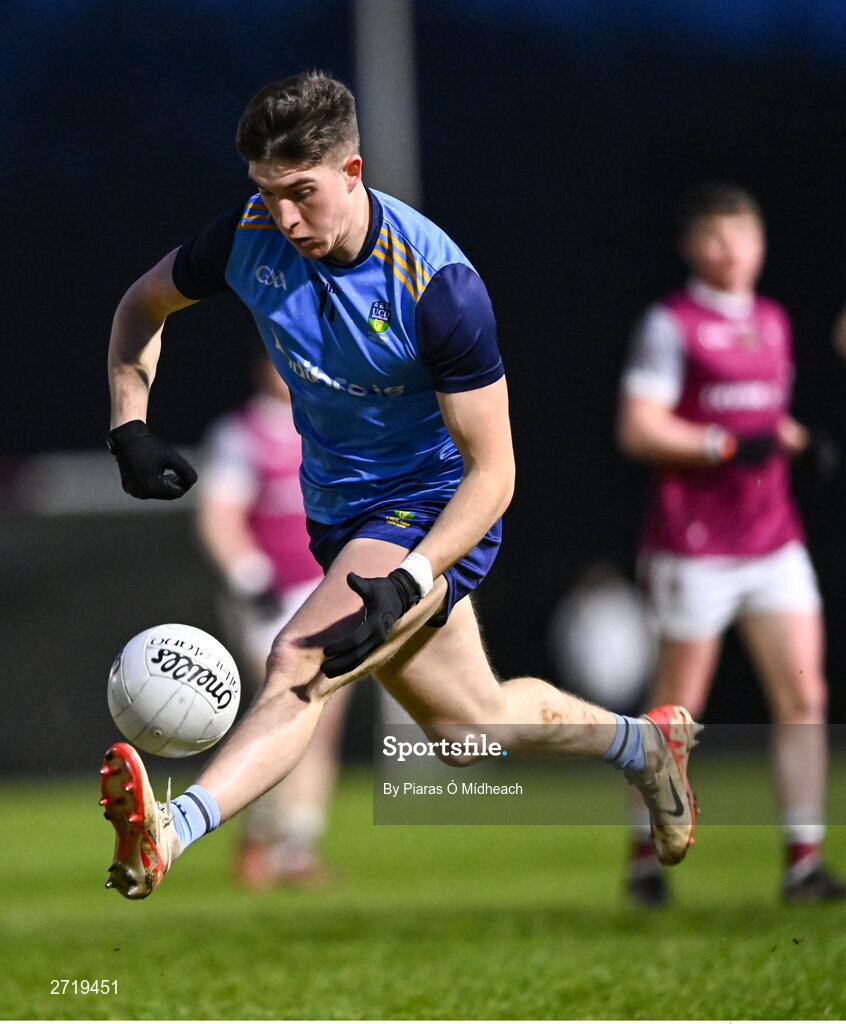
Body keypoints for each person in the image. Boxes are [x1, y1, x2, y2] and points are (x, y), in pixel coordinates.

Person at [101, 71, 700, 901]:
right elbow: (142, 304)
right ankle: (643, 747)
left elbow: (497, 472)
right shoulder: (247, 236)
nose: (283, 217)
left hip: (428, 512)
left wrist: (412, 576)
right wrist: (127, 424)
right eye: (268, 193)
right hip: (342, 518)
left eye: (302, 193)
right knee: (471, 730)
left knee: (298, 659)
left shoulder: (438, 286)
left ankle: (175, 828)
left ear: (352, 172)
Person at [617, 182, 845, 905]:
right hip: (694, 546)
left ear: (761, 245)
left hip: (773, 540)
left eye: (743, 236)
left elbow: (763, 421)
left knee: (805, 694)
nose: (731, 251)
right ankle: (644, 855)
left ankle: (803, 861)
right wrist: (722, 443)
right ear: (693, 248)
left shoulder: (772, 321)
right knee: (677, 708)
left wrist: (799, 444)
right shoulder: (672, 323)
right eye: (716, 238)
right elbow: (640, 427)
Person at [196, 352, 349, 887]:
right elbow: (219, 515)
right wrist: (249, 576)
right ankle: (266, 831)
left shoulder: (332, 424)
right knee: (289, 708)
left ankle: (291, 842)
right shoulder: (242, 434)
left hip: (325, 590)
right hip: (271, 596)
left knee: (319, 718)